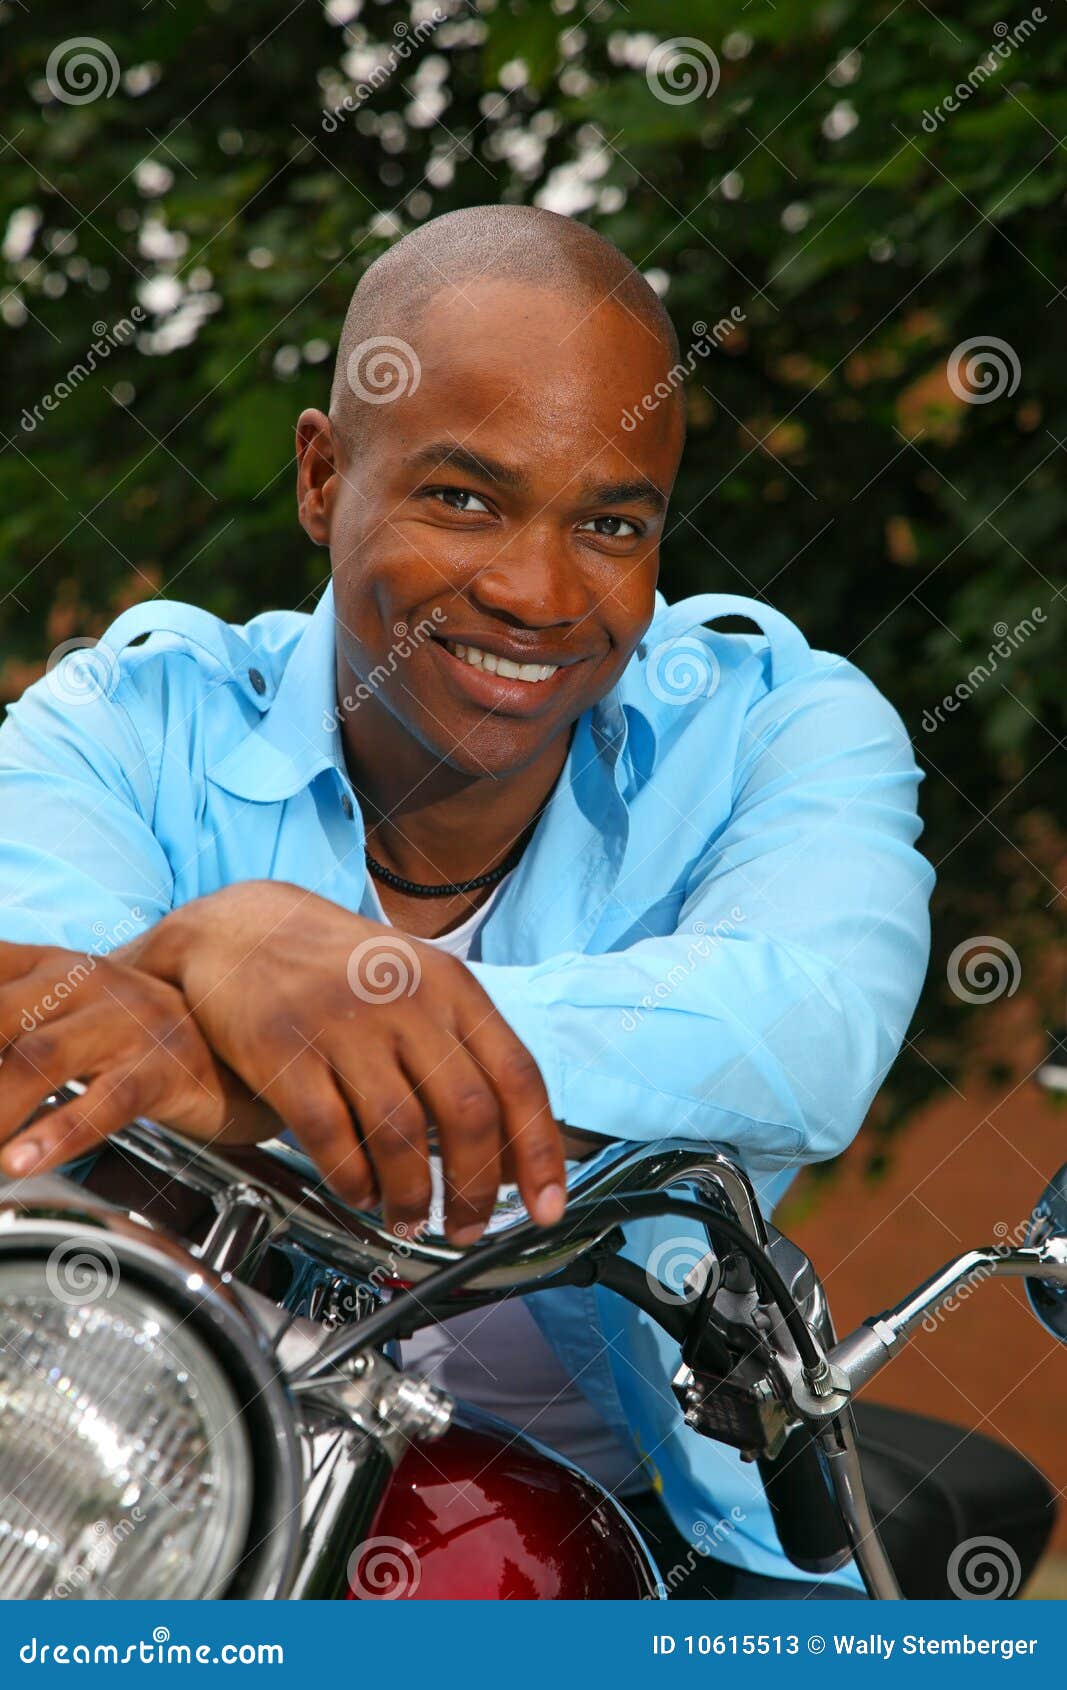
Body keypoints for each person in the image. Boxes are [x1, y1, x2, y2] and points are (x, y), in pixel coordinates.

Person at [0, 204, 932, 1596]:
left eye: (610, 523)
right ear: (323, 475)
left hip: (657, 1528)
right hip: (147, 1495)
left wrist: (307, 1016)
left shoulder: (779, 729)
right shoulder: (119, 725)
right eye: (464, 499)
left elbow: (808, 1027)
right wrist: (226, 990)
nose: (537, 591)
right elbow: (48, 1027)